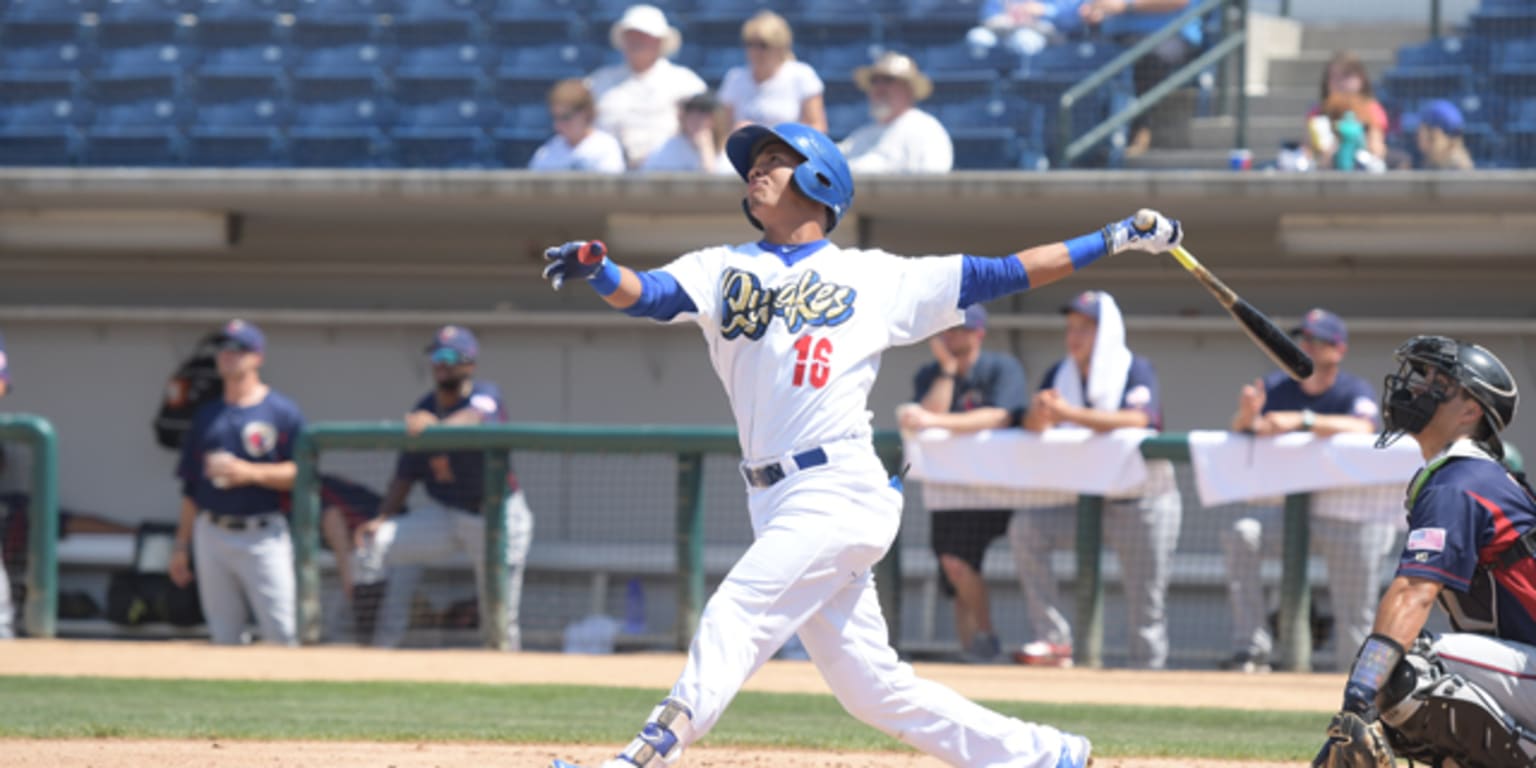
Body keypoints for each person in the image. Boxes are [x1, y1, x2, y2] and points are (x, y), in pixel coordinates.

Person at [540, 120, 1183, 768]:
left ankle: (642, 758)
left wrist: (1116, 237)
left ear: (819, 177)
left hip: (837, 487)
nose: (755, 171)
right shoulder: (722, 266)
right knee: (873, 690)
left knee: (737, 609)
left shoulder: (874, 277)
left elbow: (1007, 272)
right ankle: (1048, 755)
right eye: (754, 162)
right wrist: (600, 270)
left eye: (773, 160)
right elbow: (650, 296)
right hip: (774, 497)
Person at [1311, 335, 1535, 768]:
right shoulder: (1466, 474)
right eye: (1423, 377)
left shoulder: (1461, 480)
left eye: (1439, 382)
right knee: (1396, 685)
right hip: (1525, 665)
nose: (1417, 387)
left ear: (1470, 411)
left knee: (1407, 669)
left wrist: (1357, 701)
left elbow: (1415, 591)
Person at [1008, 290, 1181, 669]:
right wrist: (1040, 414)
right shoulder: (1060, 372)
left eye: (1086, 328)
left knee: (1145, 602)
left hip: (1143, 501)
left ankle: (1148, 675)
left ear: (1106, 333)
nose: (1075, 336)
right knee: (1026, 529)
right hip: (1085, 504)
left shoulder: (1135, 368)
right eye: (1071, 328)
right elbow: (1034, 424)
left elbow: (1140, 419)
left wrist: (1069, 412)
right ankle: (1054, 641)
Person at [1222, 308, 1389, 673]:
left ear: (1337, 350)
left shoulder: (1353, 389)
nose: (1305, 346)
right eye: (1303, 340)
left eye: (1316, 341)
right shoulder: (1278, 385)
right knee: (1242, 535)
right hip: (1291, 512)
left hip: (1349, 516)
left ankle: (1356, 681)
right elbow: (1243, 430)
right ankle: (1252, 650)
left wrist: (1304, 420)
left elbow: (1365, 427)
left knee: (1356, 614)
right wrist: (1247, 417)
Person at [352, 325, 533, 650]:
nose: (442, 363)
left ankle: (505, 675)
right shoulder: (424, 405)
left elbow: (475, 417)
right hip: (446, 515)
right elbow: (405, 475)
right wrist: (382, 516)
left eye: (451, 356)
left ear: (469, 364)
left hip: (496, 518)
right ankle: (368, 644)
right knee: (375, 544)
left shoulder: (486, 394)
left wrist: (434, 429)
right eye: (437, 355)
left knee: (500, 617)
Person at [898, 304, 1029, 664]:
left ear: (978, 333)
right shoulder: (933, 372)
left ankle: (986, 637)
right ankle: (973, 651)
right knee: (952, 571)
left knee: (958, 562)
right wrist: (948, 371)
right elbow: (926, 415)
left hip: (995, 487)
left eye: (959, 329)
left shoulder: (1001, 367)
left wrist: (937, 422)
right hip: (947, 489)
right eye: (946, 330)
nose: (950, 335)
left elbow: (1002, 416)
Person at [168, 319, 305, 646]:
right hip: (211, 531)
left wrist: (250, 473)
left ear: (257, 357)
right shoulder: (207, 414)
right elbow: (191, 488)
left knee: (282, 632)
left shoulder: (281, 411)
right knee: (223, 635)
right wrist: (180, 546)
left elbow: (303, 474)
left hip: (263, 533)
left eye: (238, 349)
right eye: (223, 349)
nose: (228, 356)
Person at [587, 4, 707, 170]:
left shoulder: (687, 83)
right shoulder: (598, 82)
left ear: (659, 41)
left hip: (668, 177)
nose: (636, 40)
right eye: (631, 35)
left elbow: (704, 131)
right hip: (609, 179)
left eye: (644, 35)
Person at [1077, 0, 1203, 156]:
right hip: (1114, 38)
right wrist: (1094, 10)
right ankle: (1091, 143)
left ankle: (1142, 129)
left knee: (1148, 61)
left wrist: (1126, 6)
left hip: (1169, 35)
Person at [838, 52, 953, 174]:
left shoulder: (927, 129)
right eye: (874, 81)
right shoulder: (860, 135)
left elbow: (934, 183)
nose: (879, 88)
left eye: (888, 80)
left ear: (909, 89)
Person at [717, 10, 826, 133]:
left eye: (763, 45)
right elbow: (722, 129)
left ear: (780, 47)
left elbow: (817, 127)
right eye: (750, 44)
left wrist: (779, 138)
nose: (755, 51)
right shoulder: (734, 78)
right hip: (745, 150)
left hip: (787, 150)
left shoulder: (802, 75)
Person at [1305, 51, 1388, 167]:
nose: (1340, 82)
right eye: (1334, 77)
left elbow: (1377, 147)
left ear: (1361, 79)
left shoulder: (1371, 108)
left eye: (1346, 76)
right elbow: (1308, 150)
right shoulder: (1318, 112)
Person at [529, 79, 627, 174]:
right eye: (555, 117)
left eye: (565, 117)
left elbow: (611, 189)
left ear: (585, 113)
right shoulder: (547, 152)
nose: (558, 125)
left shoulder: (606, 147)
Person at [639, 92, 733, 174]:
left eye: (703, 112)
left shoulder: (727, 150)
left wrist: (706, 150)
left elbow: (720, 188)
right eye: (691, 112)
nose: (696, 118)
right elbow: (647, 175)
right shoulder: (670, 146)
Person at [967, 0, 1086, 58]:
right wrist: (1006, 18)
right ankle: (982, 87)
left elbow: (1071, 16)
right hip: (1003, 32)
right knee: (977, 36)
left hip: (1041, 35)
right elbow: (986, 15)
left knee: (1024, 39)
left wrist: (1042, 10)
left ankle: (1023, 84)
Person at [1411, 98, 1474, 171]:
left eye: (1420, 131)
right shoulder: (1433, 161)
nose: (1416, 137)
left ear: (1436, 134)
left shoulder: (1456, 166)